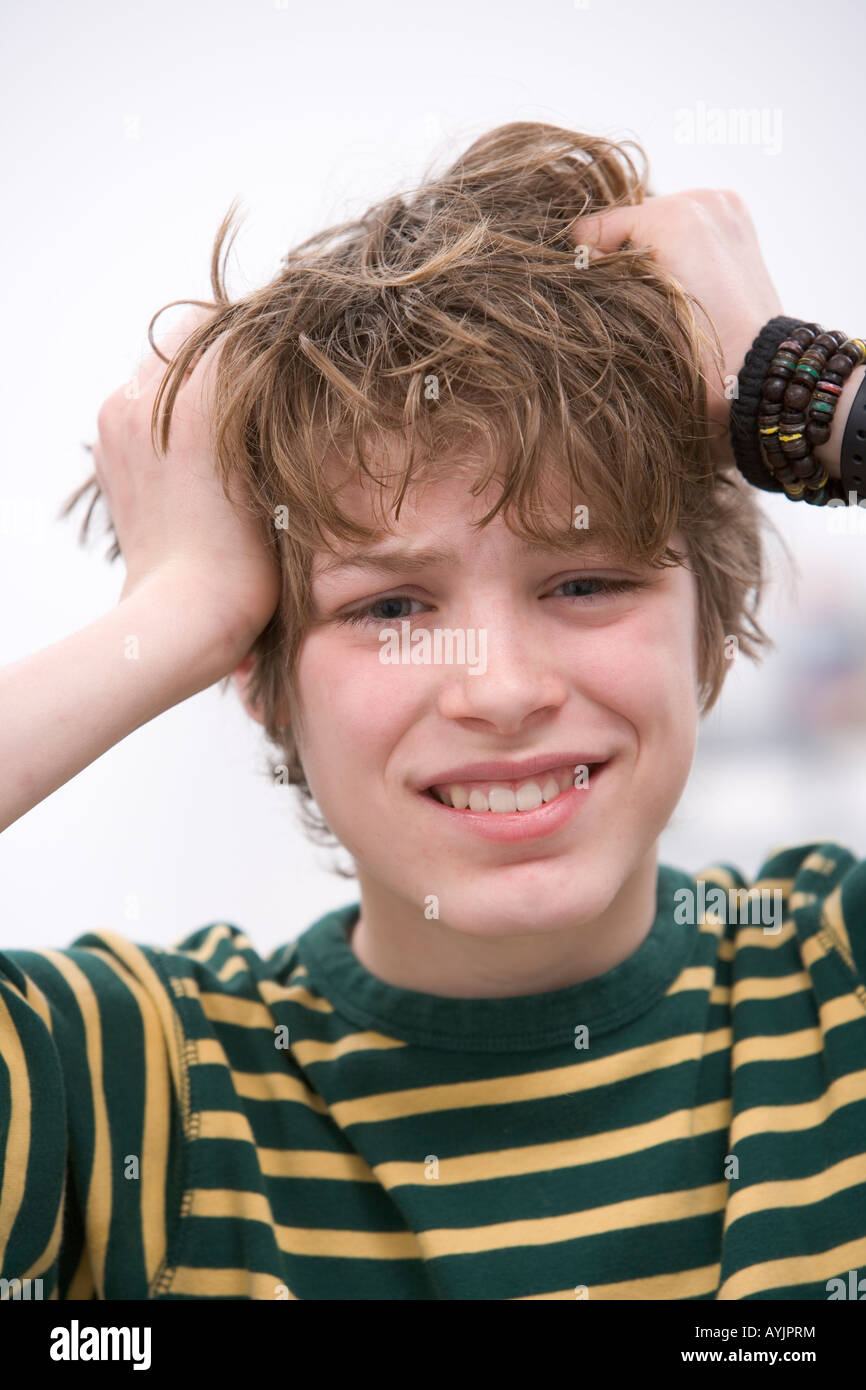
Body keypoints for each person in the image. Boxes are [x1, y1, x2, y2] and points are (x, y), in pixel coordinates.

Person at [1, 122, 865, 1302]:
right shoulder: (128, 1088)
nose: (502, 689)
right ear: (260, 674)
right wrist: (184, 611)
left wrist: (807, 396)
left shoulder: (840, 983)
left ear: (706, 628)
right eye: (391, 606)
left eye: (586, 581)